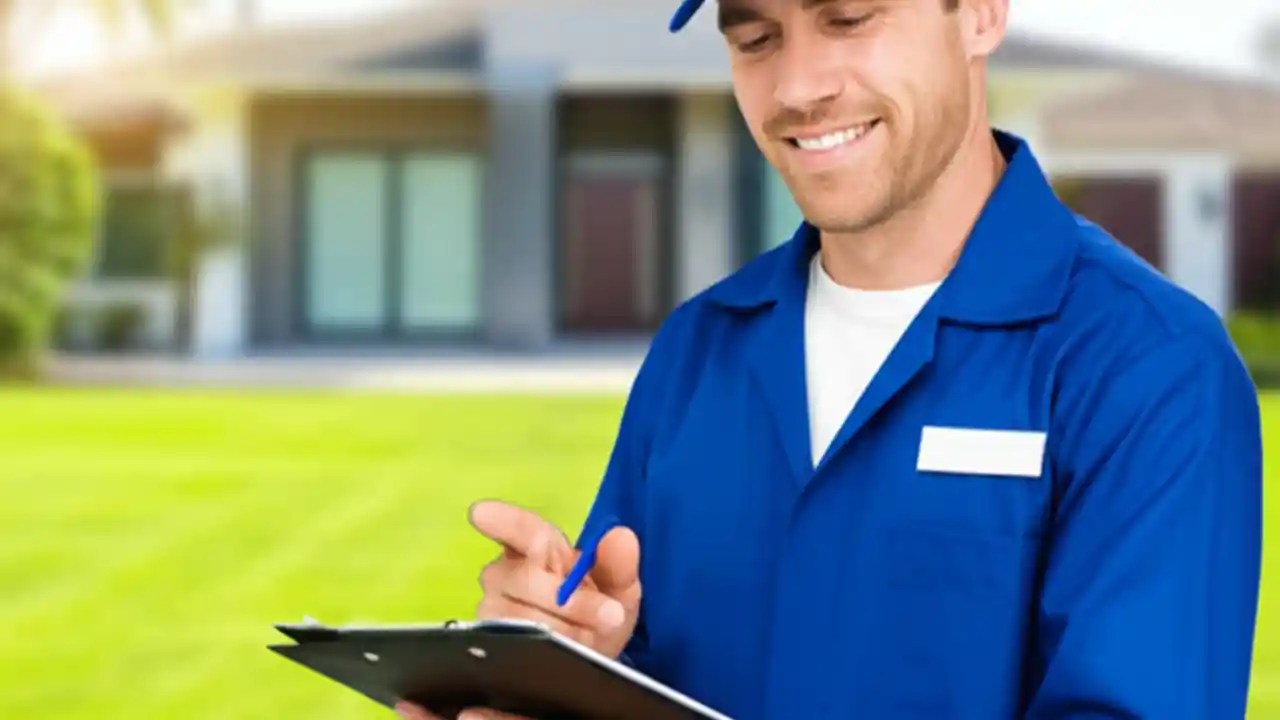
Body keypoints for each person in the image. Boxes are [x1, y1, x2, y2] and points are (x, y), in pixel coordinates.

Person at [398, 0, 1263, 718]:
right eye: (756, 39)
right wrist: (553, 674)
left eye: (848, 17)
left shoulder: (1149, 369)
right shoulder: (699, 349)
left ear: (984, 15)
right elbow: (635, 667)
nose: (799, 88)